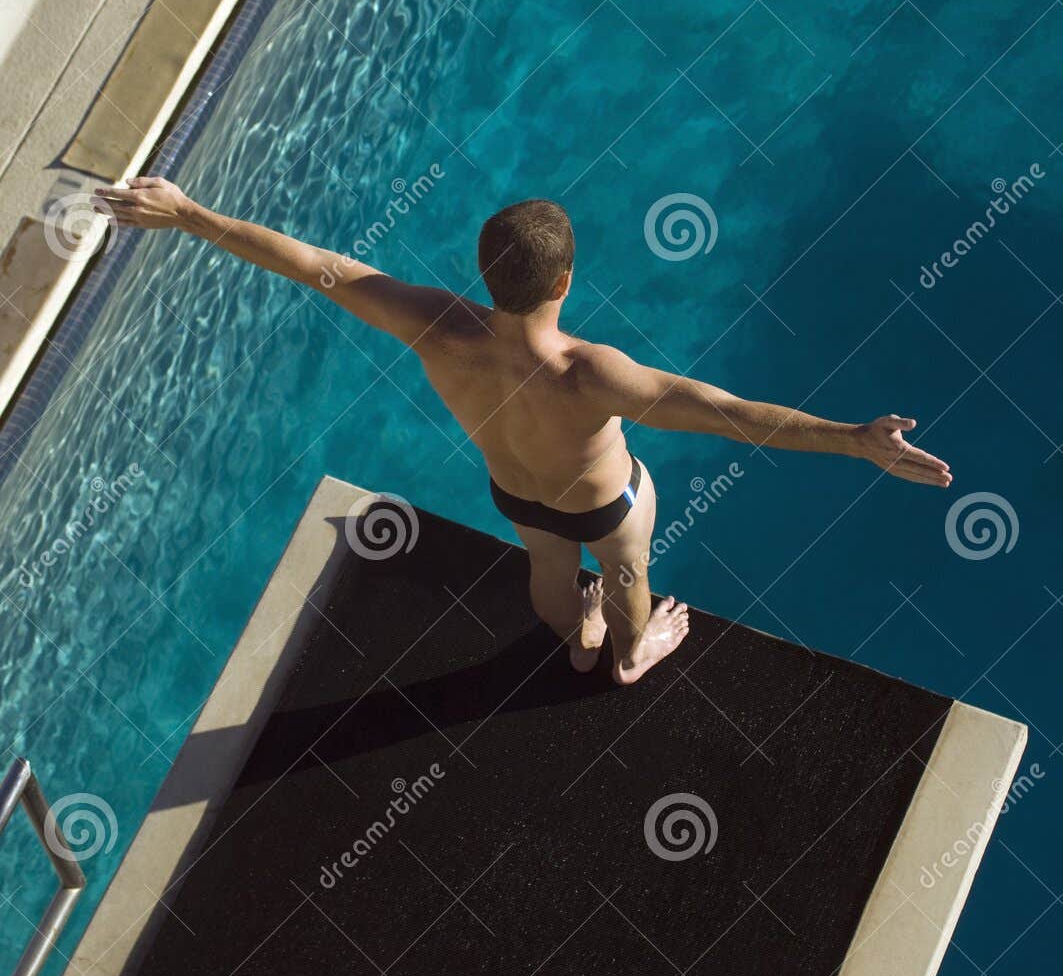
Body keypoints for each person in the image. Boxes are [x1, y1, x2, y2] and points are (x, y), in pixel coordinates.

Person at [94, 182, 952, 684]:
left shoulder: (434, 325)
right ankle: (624, 654)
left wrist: (191, 215)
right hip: (603, 508)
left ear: (482, 270)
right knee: (624, 573)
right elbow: (728, 414)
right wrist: (851, 437)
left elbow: (315, 265)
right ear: (567, 279)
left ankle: (571, 644)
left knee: (546, 572)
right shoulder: (591, 373)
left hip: (515, 493)